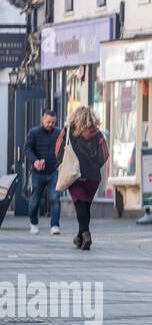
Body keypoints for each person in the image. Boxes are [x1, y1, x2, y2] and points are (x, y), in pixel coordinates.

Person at [54, 107, 109, 251]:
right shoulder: (97, 133)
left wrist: (64, 164)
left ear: (75, 117)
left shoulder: (68, 130)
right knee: (86, 206)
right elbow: (105, 154)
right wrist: (95, 165)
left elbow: (58, 149)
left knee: (80, 206)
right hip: (93, 177)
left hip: (75, 174)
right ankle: (80, 237)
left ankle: (86, 234)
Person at [23, 110, 62, 236]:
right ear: (42, 120)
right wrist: (35, 162)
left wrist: (60, 165)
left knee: (55, 198)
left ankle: (55, 225)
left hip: (53, 172)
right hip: (37, 172)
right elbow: (27, 149)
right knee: (34, 200)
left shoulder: (59, 133)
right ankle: (33, 223)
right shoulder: (34, 133)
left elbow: (64, 150)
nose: (50, 124)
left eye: (53, 122)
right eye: (48, 122)